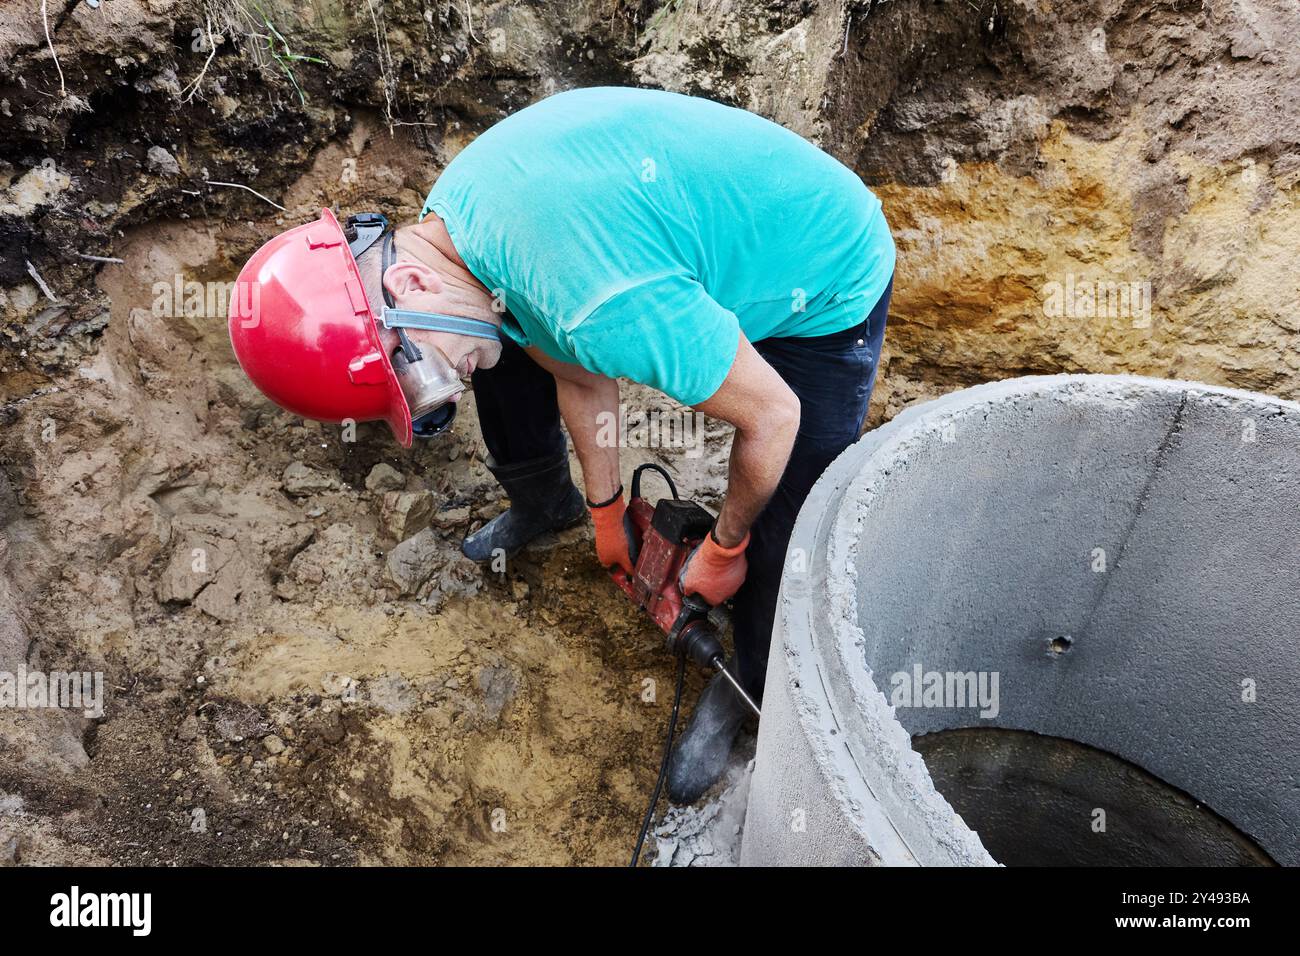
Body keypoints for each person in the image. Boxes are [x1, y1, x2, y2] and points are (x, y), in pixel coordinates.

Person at [228, 86, 894, 803]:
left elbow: (772, 416)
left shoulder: (596, 299)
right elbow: (578, 373)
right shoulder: (458, 235)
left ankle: (748, 684)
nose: (442, 392)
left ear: (408, 280)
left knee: (788, 525)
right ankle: (548, 503)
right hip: (662, 243)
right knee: (492, 348)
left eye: (417, 374)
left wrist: (727, 546)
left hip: (823, 276)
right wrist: (606, 512)